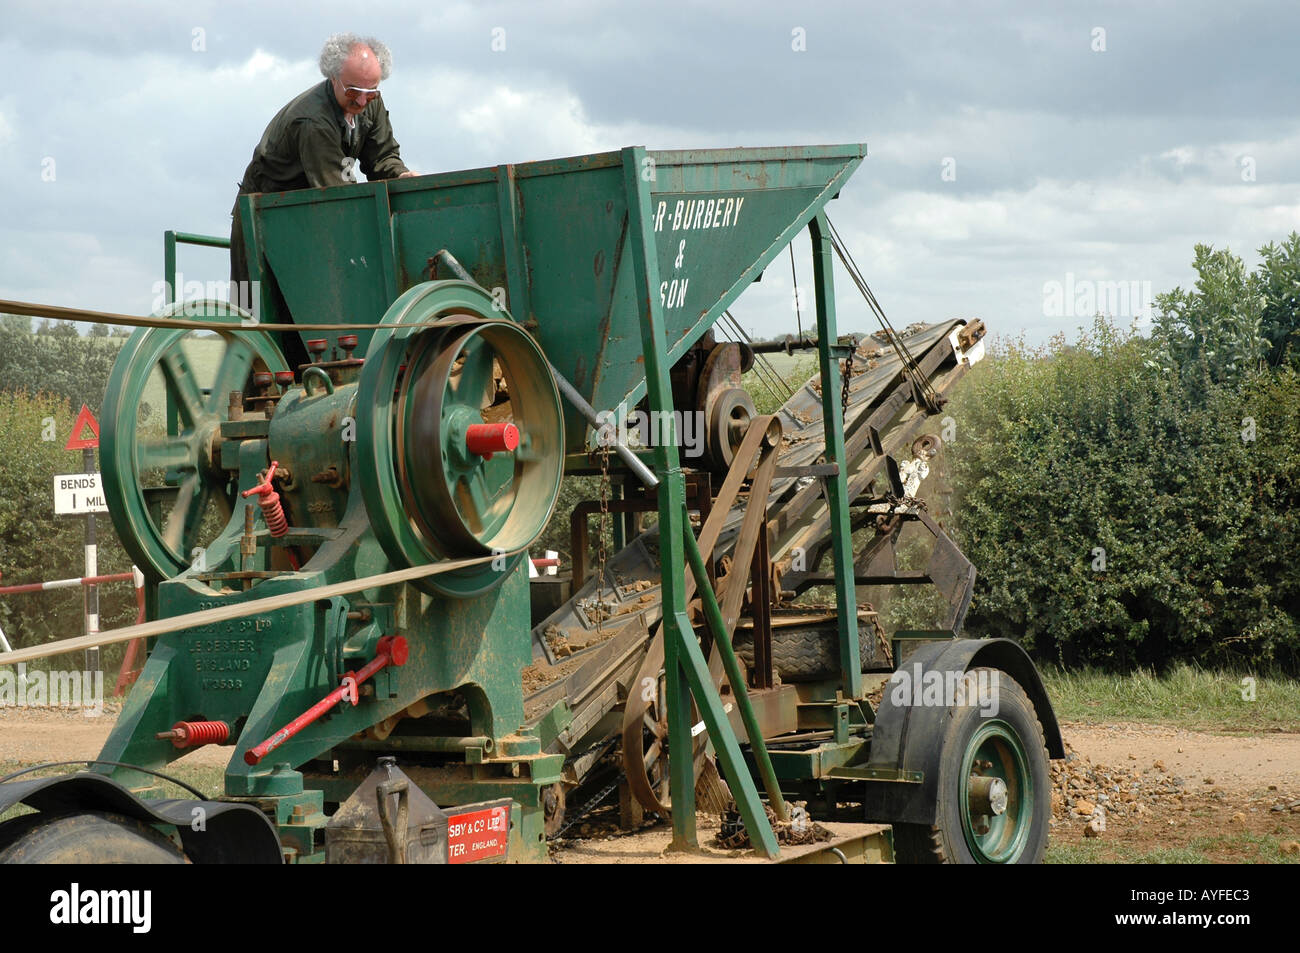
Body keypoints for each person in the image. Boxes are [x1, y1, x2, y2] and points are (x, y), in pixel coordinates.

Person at [229, 33, 416, 291]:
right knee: (251, 312)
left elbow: (383, 158)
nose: (362, 101)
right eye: (353, 91)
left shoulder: (369, 102)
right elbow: (339, 195)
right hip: (262, 218)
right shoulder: (313, 122)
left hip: (309, 214)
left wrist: (401, 176)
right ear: (333, 77)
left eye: (371, 93)